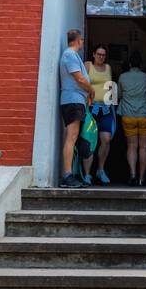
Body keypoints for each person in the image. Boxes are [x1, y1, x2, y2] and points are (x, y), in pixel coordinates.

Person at [59, 28, 94, 188]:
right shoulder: (70, 55)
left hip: (76, 101)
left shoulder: (72, 55)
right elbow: (79, 78)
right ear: (78, 40)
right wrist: (91, 90)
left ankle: (71, 174)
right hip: (72, 101)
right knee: (71, 137)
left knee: (73, 137)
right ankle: (67, 175)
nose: (82, 43)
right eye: (82, 40)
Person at [117, 48, 146, 186]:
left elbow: (119, 95)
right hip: (145, 114)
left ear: (130, 64)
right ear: (141, 64)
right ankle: (141, 178)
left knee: (131, 146)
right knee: (144, 147)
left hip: (128, 114)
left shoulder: (122, 77)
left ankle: (132, 174)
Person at [86, 45, 117, 185]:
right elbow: (82, 83)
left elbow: (111, 86)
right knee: (89, 140)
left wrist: (113, 103)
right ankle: (87, 174)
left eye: (103, 55)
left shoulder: (108, 68)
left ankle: (100, 169)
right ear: (93, 54)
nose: (101, 57)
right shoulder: (88, 66)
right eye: (99, 54)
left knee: (106, 139)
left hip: (106, 109)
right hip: (91, 108)